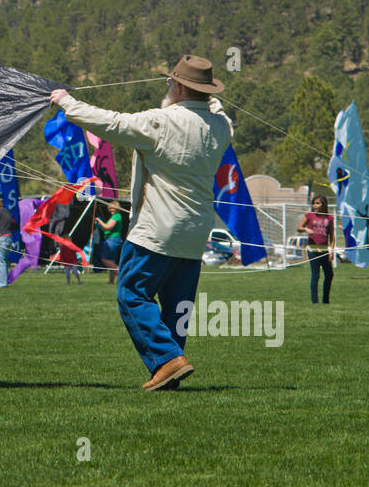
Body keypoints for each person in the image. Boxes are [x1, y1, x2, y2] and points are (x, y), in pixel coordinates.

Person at [51, 54, 233, 391]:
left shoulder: (162, 122)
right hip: (195, 234)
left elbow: (111, 123)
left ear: (178, 86)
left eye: (170, 83)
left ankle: (166, 360)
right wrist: (210, 98)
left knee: (131, 293)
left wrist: (67, 103)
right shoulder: (221, 127)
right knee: (177, 306)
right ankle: (170, 373)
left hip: (158, 229)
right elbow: (220, 111)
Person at [299, 196, 334, 304]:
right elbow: (299, 227)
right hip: (312, 249)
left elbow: (332, 235)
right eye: (314, 203)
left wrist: (331, 251)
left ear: (323, 204)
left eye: (318, 203)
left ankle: (326, 300)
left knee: (329, 274)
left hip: (324, 250)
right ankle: (315, 301)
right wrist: (306, 229)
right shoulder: (309, 216)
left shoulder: (329, 218)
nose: (315, 205)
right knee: (316, 275)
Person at [94, 200, 125, 284]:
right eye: (110, 207)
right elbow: (104, 229)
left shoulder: (116, 216)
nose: (111, 209)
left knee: (105, 260)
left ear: (117, 208)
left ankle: (122, 277)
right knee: (111, 260)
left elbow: (108, 227)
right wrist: (99, 225)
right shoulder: (114, 216)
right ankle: (111, 281)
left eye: (113, 208)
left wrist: (100, 221)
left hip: (113, 240)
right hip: (112, 240)